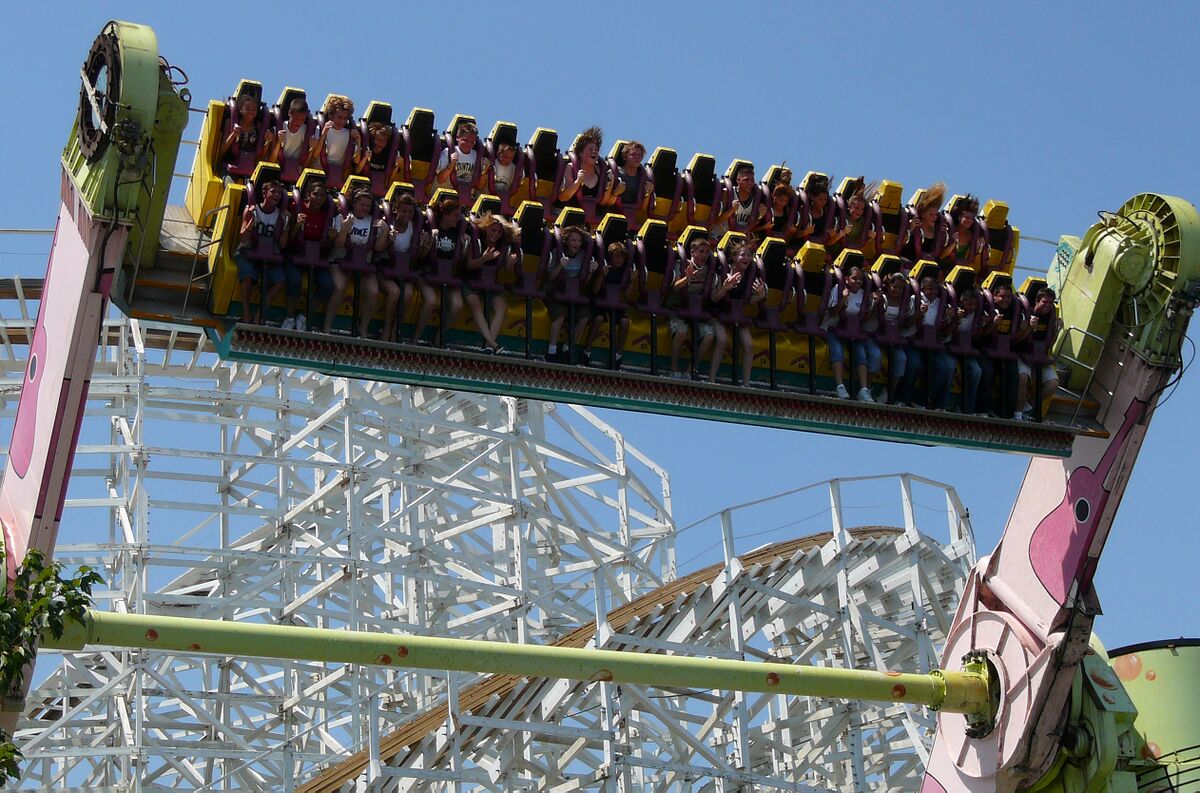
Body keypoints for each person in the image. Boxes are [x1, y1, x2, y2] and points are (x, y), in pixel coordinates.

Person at [668, 237, 732, 381]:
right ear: (692, 252)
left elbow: (714, 298)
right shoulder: (682, 265)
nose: (703, 255)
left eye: (706, 252)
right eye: (700, 252)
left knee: (709, 336)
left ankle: (689, 371)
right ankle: (673, 370)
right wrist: (687, 279)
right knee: (681, 332)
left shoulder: (710, 272)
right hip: (679, 308)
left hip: (698, 311)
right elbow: (674, 287)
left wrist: (725, 288)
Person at [322, 188, 382, 335]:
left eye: (368, 206)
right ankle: (327, 325)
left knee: (374, 291)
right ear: (354, 204)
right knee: (340, 286)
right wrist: (344, 230)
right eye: (362, 205)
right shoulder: (343, 217)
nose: (365, 208)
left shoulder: (373, 222)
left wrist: (385, 233)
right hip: (341, 259)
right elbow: (338, 244)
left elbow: (379, 248)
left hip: (363, 263)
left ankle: (363, 328)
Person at [412, 195, 468, 345]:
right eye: (455, 216)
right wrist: (426, 245)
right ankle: (415, 338)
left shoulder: (458, 232)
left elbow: (459, 262)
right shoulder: (431, 228)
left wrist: (465, 248)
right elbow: (421, 258)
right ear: (445, 215)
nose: (458, 219)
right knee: (431, 301)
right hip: (428, 271)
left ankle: (438, 339)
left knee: (457, 305)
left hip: (447, 273)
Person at [233, 180, 292, 323]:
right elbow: (243, 237)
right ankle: (246, 314)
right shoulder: (252, 210)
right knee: (247, 275)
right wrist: (252, 222)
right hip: (248, 250)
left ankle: (259, 314)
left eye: (279, 193)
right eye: (273, 192)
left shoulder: (281, 216)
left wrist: (287, 225)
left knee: (280, 279)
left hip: (269, 254)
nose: (276, 195)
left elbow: (283, 245)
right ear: (264, 193)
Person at [823, 265, 881, 401]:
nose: (858, 282)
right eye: (855, 279)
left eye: (860, 279)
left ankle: (863, 389)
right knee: (837, 351)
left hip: (853, 331)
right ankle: (840, 386)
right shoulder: (838, 290)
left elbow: (864, 318)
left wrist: (873, 305)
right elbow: (832, 313)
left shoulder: (863, 294)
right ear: (847, 279)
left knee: (861, 353)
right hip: (835, 328)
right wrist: (843, 300)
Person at [380, 193, 432, 343]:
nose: (407, 215)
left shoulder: (414, 227)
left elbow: (418, 256)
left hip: (404, 270)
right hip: (387, 267)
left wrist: (425, 246)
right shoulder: (387, 224)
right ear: (396, 210)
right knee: (395, 292)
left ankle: (397, 327)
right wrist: (389, 240)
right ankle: (387, 327)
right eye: (403, 211)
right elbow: (381, 250)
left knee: (408, 294)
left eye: (409, 212)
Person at [283, 179, 334, 332]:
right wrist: (297, 225)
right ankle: (290, 317)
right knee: (294, 281)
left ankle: (304, 317)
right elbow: (290, 239)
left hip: (315, 257)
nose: (319, 198)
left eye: (322, 196)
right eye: (316, 195)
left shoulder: (326, 216)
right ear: (308, 195)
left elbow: (326, 246)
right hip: (295, 253)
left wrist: (332, 237)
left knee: (327, 284)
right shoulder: (296, 208)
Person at [543, 225, 598, 362]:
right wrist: (561, 265)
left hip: (575, 293)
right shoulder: (557, 253)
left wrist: (591, 271)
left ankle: (567, 347)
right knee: (560, 316)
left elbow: (584, 282)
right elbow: (550, 277)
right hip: (557, 291)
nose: (577, 244)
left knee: (584, 316)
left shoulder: (583, 256)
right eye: (573, 240)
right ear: (566, 242)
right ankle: (552, 351)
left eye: (579, 241)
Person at [716, 241, 767, 385]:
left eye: (749, 255)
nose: (747, 258)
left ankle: (746, 384)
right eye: (743, 254)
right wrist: (726, 287)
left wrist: (761, 295)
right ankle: (711, 379)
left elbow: (747, 300)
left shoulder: (750, 274)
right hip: (718, 312)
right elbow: (715, 298)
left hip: (737, 314)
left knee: (749, 344)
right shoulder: (724, 270)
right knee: (722, 339)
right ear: (734, 257)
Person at [463, 214, 514, 354]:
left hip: (491, 284)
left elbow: (508, 271)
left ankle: (488, 344)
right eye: (493, 230)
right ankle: (493, 344)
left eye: (498, 232)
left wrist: (510, 264)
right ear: (487, 229)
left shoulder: (503, 246)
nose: (495, 234)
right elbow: (469, 265)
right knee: (475, 303)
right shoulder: (477, 241)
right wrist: (484, 259)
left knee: (501, 307)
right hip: (472, 280)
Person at [581, 241, 636, 368]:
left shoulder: (624, 273)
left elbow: (626, 295)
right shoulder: (605, 268)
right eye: (617, 256)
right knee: (599, 318)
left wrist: (632, 280)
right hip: (600, 302)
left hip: (615, 304)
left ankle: (618, 355)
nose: (619, 259)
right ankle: (587, 351)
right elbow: (595, 290)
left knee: (624, 322)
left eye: (622, 257)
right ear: (610, 256)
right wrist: (601, 275)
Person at [1015, 287, 1059, 419]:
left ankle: (1028, 407)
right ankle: (1017, 414)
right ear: (1037, 301)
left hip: (1040, 356)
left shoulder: (1050, 317)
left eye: (1050, 303)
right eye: (1044, 302)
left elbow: (1049, 344)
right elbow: (1017, 340)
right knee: (1023, 377)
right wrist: (1029, 327)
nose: (1047, 306)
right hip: (1023, 354)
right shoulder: (1025, 314)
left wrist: (1056, 331)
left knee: (1053, 383)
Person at [914, 276, 955, 410]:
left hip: (934, 342)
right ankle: (917, 399)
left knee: (947, 367)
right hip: (916, 339)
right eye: (929, 289)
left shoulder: (941, 303)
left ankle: (939, 404)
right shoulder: (915, 300)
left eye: (935, 289)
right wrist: (919, 314)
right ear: (923, 289)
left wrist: (950, 318)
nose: (933, 292)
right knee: (915, 364)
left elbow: (943, 330)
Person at [878, 272, 917, 405]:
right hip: (880, 334)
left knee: (902, 359)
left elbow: (906, 323)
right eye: (895, 287)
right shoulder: (882, 298)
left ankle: (889, 392)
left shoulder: (905, 302)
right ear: (889, 286)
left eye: (901, 288)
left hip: (895, 337)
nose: (898, 290)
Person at [953, 288, 992, 415]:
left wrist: (982, 325)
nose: (972, 307)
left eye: (975, 304)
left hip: (968, 349)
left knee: (976, 371)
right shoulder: (955, 311)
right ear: (962, 303)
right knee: (948, 367)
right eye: (969, 304)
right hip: (951, 346)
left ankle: (968, 408)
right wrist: (955, 320)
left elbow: (976, 337)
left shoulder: (976, 316)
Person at [558, 126, 612, 218]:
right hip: (570, 215)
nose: (594, 152)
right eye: (590, 149)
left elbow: (604, 202)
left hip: (592, 218)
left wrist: (609, 187)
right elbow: (563, 197)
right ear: (581, 154)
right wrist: (577, 182)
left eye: (596, 150)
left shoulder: (601, 171)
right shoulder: (571, 168)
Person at [986, 282, 1021, 418]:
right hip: (987, 348)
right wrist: (993, 324)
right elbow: (982, 335)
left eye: (1008, 297)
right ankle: (984, 408)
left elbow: (1016, 337)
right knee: (988, 372)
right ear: (995, 297)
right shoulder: (987, 308)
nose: (1005, 300)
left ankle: (1004, 413)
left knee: (1013, 375)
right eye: (1002, 297)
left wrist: (1026, 328)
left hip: (1005, 350)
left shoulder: (1014, 311)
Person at [219, 93, 273, 179]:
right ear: (240, 109)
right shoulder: (231, 123)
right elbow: (222, 150)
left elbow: (262, 154)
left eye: (254, 110)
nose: (251, 112)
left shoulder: (258, 126)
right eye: (248, 109)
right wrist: (233, 134)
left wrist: (268, 141)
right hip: (230, 164)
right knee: (229, 181)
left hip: (250, 168)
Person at [313, 95, 360, 191]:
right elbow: (315, 154)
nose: (342, 121)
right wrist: (323, 134)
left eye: (345, 118)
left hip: (339, 173)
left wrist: (358, 142)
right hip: (320, 169)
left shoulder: (348, 134)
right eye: (339, 117)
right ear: (331, 116)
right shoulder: (321, 129)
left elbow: (356, 161)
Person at [713, 164, 770, 237]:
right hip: (720, 235)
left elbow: (750, 228)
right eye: (746, 180)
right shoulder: (728, 193)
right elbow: (717, 221)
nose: (750, 183)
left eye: (752, 181)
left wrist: (760, 215)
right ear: (738, 180)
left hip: (740, 239)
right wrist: (731, 210)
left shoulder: (756, 199)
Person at [902, 182, 949, 265]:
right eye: (931, 215)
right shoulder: (913, 226)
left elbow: (941, 255)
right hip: (909, 263)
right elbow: (901, 244)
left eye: (935, 215)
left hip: (927, 265)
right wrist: (910, 229)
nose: (934, 217)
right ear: (923, 215)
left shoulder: (937, 230)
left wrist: (943, 236)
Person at [436, 121, 487, 198]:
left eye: (472, 142)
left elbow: (480, 186)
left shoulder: (477, 156)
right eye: (465, 140)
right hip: (447, 194)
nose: (468, 144)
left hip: (467, 196)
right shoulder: (448, 152)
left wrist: (484, 171)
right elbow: (440, 180)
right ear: (457, 138)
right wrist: (451, 165)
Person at [270, 97, 315, 181]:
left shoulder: (306, 132)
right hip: (278, 168)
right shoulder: (279, 129)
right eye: (297, 118)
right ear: (290, 113)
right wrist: (278, 143)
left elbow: (307, 162)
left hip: (296, 170)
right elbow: (271, 160)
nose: (299, 122)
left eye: (302, 119)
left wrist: (312, 148)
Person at [612, 140, 653, 221]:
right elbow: (606, 201)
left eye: (640, 155)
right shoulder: (616, 173)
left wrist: (648, 193)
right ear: (625, 156)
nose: (637, 157)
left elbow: (643, 207)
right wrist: (615, 193)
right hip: (614, 213)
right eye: (633, 154)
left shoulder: (642, 177)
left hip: (632, 216)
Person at [947, 195, 985, 271]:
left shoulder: (970, 236)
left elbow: (972, 257)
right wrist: (953, 244)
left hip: (960, 269)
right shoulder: (951, 231)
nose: (969, 221)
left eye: (971, 218)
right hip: (946, 265)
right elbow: (941, 256)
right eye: (967, 217)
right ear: (959, 217)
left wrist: (978, 249)